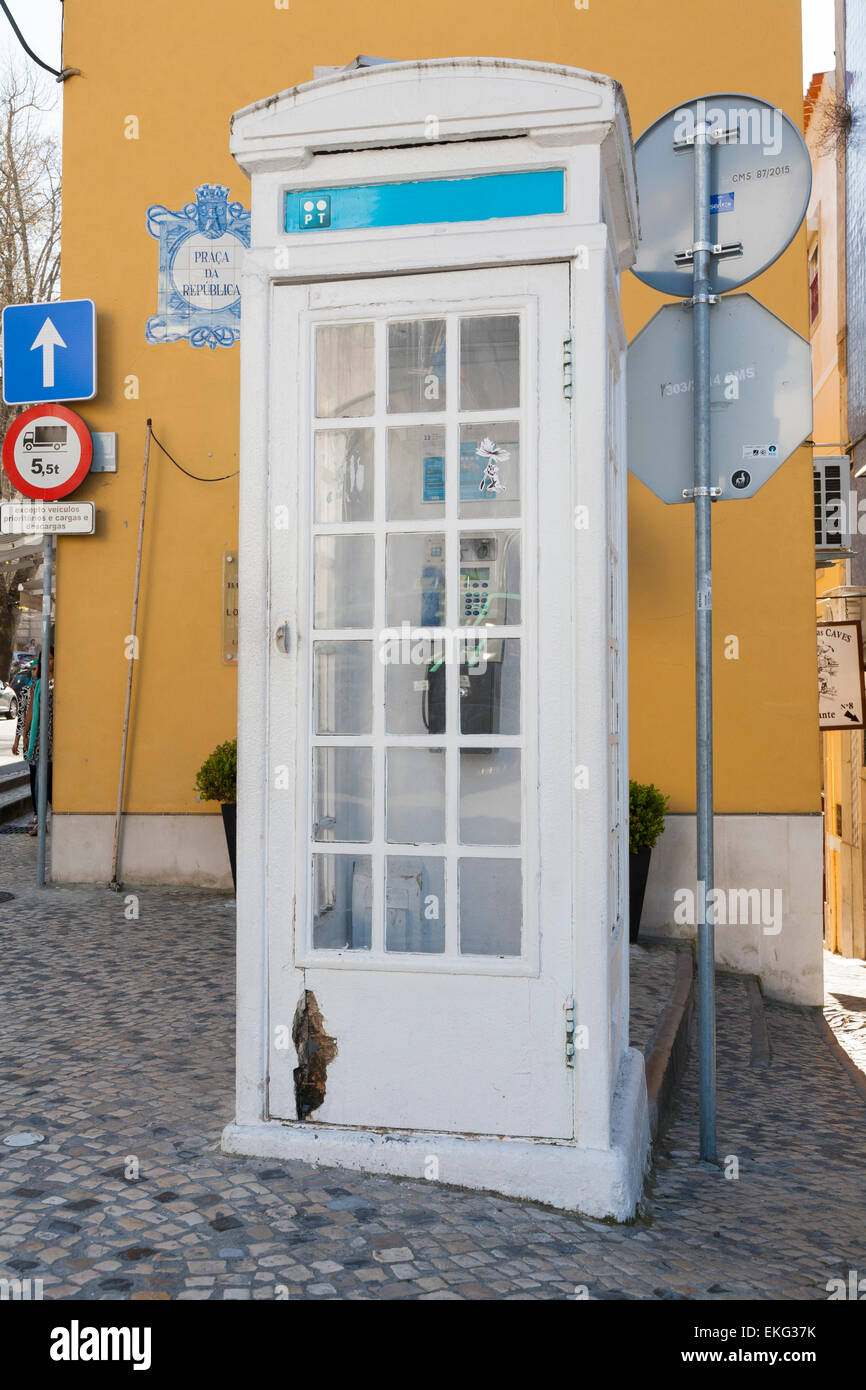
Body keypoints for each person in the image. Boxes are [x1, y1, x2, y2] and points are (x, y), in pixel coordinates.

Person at [24, 648, 54, 837]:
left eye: (50, 659)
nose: (47, 662)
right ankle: (41, 822)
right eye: (44, 659)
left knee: (51, 784)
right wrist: (26, 734)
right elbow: (31, 711)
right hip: (40, 737)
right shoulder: (38, 684)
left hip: (56, 737)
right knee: (38, 781)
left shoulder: (61, 682)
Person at [11, 661, 37, 826]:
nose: (34, 672)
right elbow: (21, 716)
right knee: (33, 777)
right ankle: (36, 814)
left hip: (43, 740)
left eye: (36, 668)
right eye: (33, 669)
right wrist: (17, 740)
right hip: (30, 741)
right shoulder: (27, 690)